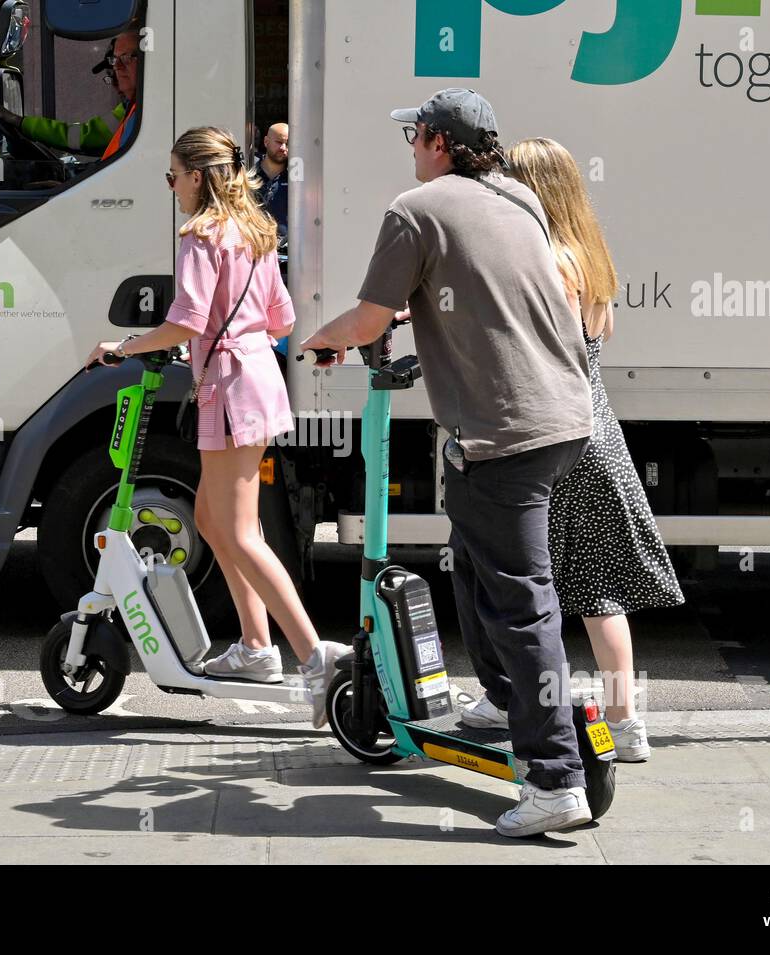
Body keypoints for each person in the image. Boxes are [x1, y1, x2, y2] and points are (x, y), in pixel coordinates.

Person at [300, 89, 596, 837]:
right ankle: (501, 699)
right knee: (470, 557)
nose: (410, 149)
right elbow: (485, 291)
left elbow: (367, 318)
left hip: (505, 433)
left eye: (414, 136)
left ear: (437, 141)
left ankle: (555, 776)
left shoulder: (416, 209)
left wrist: (320, 339)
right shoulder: (519, 200)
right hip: (561, 417)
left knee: (523, 603)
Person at [84, 126, 349, 727]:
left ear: (198, 177)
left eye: (173, 175)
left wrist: (124, 347)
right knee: (213, 520)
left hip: (229, 389)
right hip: (253, 380)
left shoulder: (201, 235)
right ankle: (256, 647)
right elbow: (279, 320)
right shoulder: (256, 231)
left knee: (240, 532)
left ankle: (314, 657)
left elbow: (188, 318)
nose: (172, 186)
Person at [499, 137, 685, 761]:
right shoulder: (588, 253)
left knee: (561, 585)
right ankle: (625, 723)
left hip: (563, 432)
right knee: (593, 587)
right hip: (597, 426)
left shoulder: (551, 259)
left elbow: (545, 349)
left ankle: (607, 719)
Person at [0, 31, 140, 159]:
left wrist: (21, 123)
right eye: (114, 61)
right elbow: (82, 136)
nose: (118, 69)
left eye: (126, 58)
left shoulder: (143, 112)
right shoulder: (131, 110)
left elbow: (81, 138)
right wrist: (22, 123)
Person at [253, 122, 289, 235]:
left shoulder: (297, 178)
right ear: (266, 141)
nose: (283, 148)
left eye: (287, 143)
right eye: (279, 142)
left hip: (287, 250)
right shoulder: (248, 172)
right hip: (252, 248)